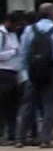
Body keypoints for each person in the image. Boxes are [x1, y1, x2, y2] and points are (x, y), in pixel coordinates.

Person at [17, 3, 53, 148]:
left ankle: (20, 138)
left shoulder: (29, 30)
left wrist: (24, 72)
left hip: (32, 73)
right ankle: (45, 139)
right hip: (52, 73)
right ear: (52, 14)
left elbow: (23, 54)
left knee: (28, 106)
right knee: (50, 106)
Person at [0, 11, 23, 143]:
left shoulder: (14, 35)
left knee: (13, 105)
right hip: (3, 72)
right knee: (3, 104)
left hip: (14, 72)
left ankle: (12, 133)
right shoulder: (1, 34)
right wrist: (13, 52)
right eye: (16, 25)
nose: (17, 28)